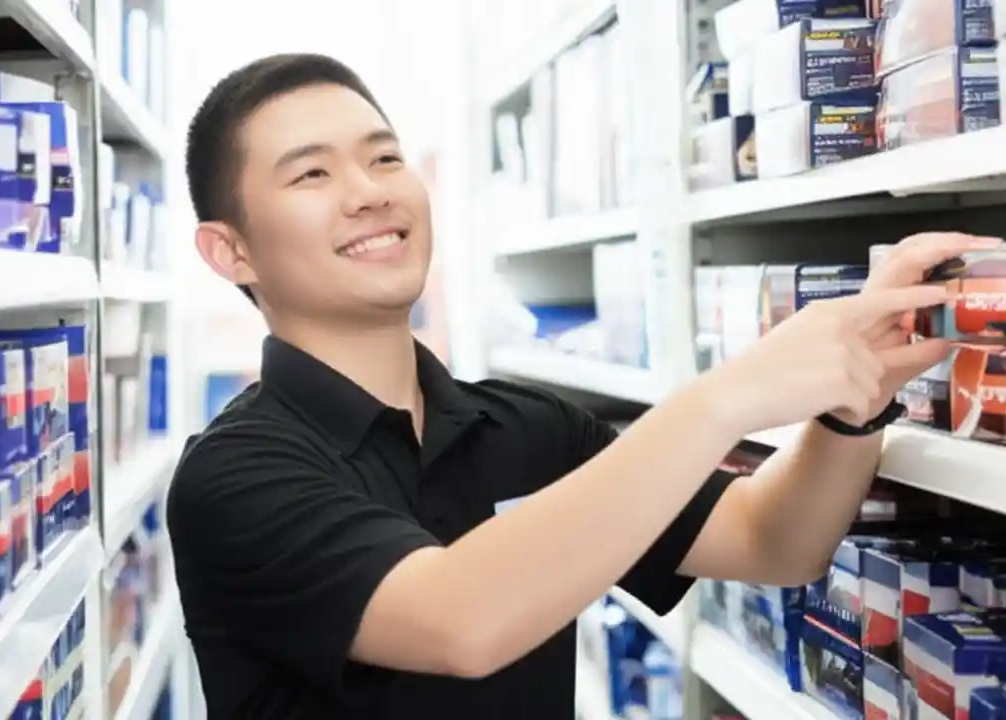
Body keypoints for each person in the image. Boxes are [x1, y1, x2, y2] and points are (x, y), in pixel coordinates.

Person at [167, 52, 993, 719]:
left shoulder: (527, 428)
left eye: (383, 156)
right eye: (311, 175)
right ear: (230, 252)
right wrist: (726, 397)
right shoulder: (235, 475)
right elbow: (461, 620)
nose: (369, 191)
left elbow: (772, 541)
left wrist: (856, 407)